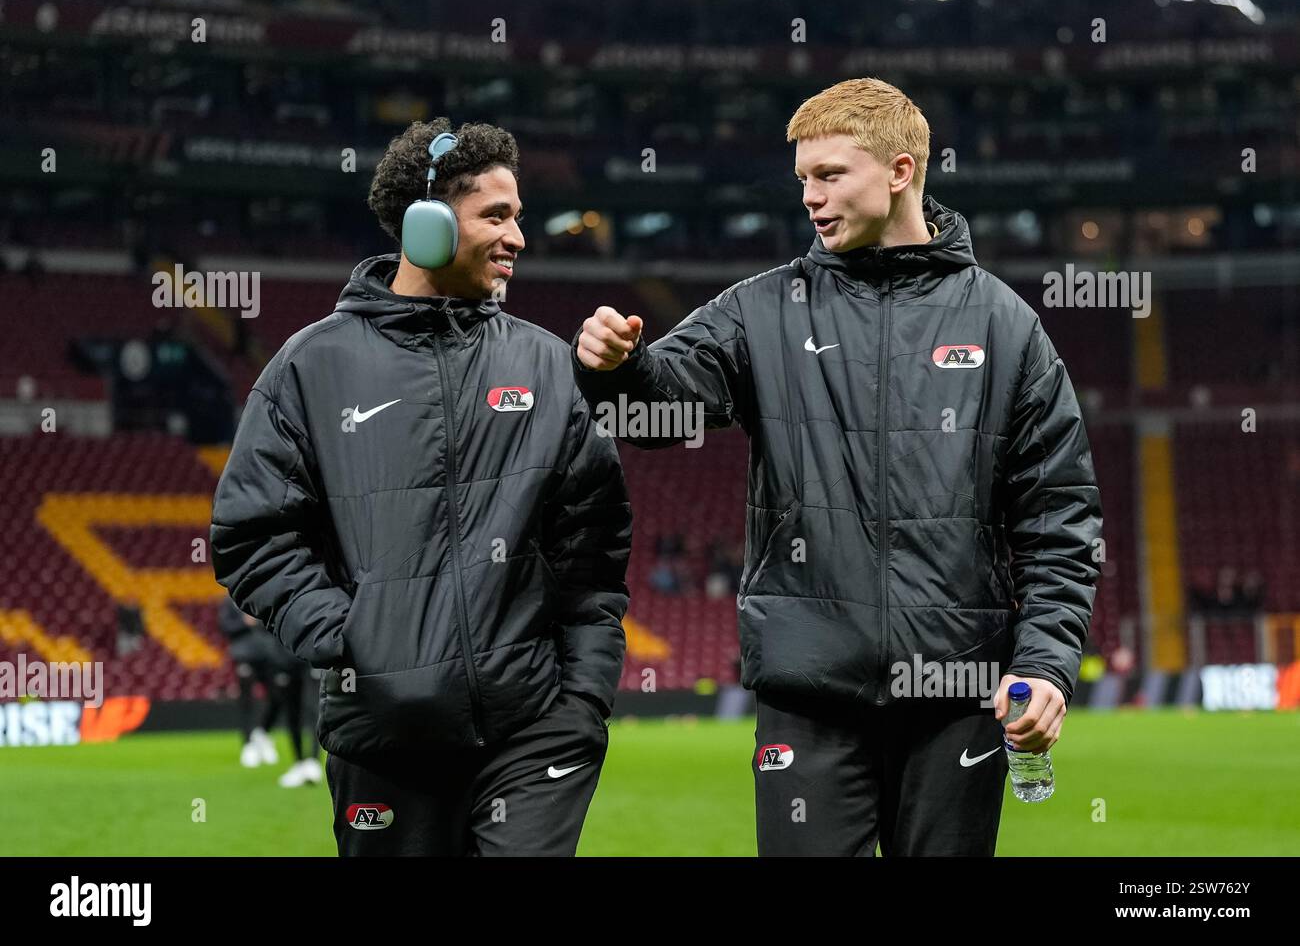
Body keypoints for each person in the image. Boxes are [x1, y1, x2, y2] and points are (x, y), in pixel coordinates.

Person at [573, 78, 1102, 856]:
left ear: (899, 171)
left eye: (829, 175)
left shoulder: (1004, 324)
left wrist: (1048, 664)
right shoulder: (761, 310)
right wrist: (617, 368)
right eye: (802, 181)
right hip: (810, 699)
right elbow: (658, 411)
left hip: (956, 698)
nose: (811, 199)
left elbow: (1059, 516)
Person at [211, 119, 631, 856]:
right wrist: (353, 643)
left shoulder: (547, 366)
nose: (520, 238)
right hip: (382, 739)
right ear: (428, 225)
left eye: (519, 217)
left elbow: (593, 551)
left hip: (533, 734)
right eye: (497, 216)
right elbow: (253, 535)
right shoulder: (311, 368)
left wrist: (584, 701)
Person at [218, 596, 322, 787]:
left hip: (307, 656)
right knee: (293, 712)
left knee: (313, 709)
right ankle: (300, 763)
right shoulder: (260, 597)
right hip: (285, 658)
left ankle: (313, 761)